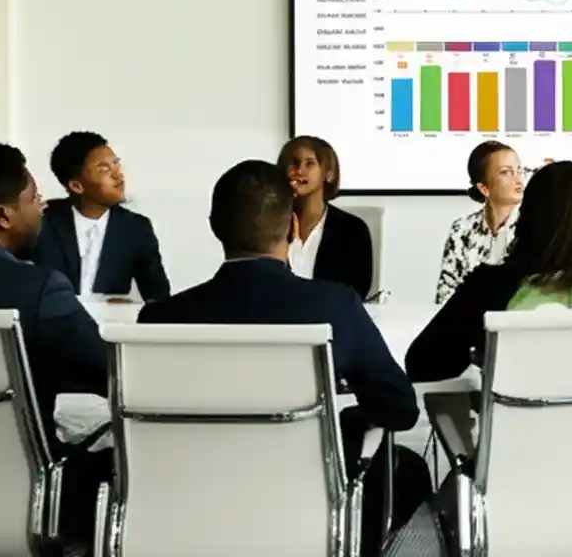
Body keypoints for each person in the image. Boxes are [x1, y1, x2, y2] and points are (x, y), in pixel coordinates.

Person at [137, 160, 426, 553]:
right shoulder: (334, 305)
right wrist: (350, 416)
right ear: (292, 227)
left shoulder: (159, 318)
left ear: (214, 226)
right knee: (409, 469)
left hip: (190, 497)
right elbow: (401, 410)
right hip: (307, 496)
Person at [0, 143, 110, 546]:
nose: (42, 208)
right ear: (2, 216)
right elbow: (110, 375)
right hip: (25, 497)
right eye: (34, 198)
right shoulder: (39, 290)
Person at [407, 160, 572, 383]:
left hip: (509, 422)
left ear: (529, 217)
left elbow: (422, 366)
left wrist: (478, 355)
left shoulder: (488, 286)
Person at [31, 131, 170, 301]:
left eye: (116, 164)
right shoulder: (42, 219)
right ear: (76, 186)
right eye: (104, 170)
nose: (118, 176)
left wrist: (131, 306)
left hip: (110, 324)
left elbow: (159, 299)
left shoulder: (136, 228)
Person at [278, 136, 375, 299]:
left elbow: (356, 289)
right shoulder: (270, 224)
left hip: (329, 318)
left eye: (309, 163)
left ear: (328, 174)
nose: (299, 170)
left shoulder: (353, 230)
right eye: (294, 163)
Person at [434, 140, 526, 304]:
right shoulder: (462, 230)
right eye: (506, 172)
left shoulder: (531, 226)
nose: (518, 179)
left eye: (519, 170)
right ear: (484, 188)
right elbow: (445, 296)